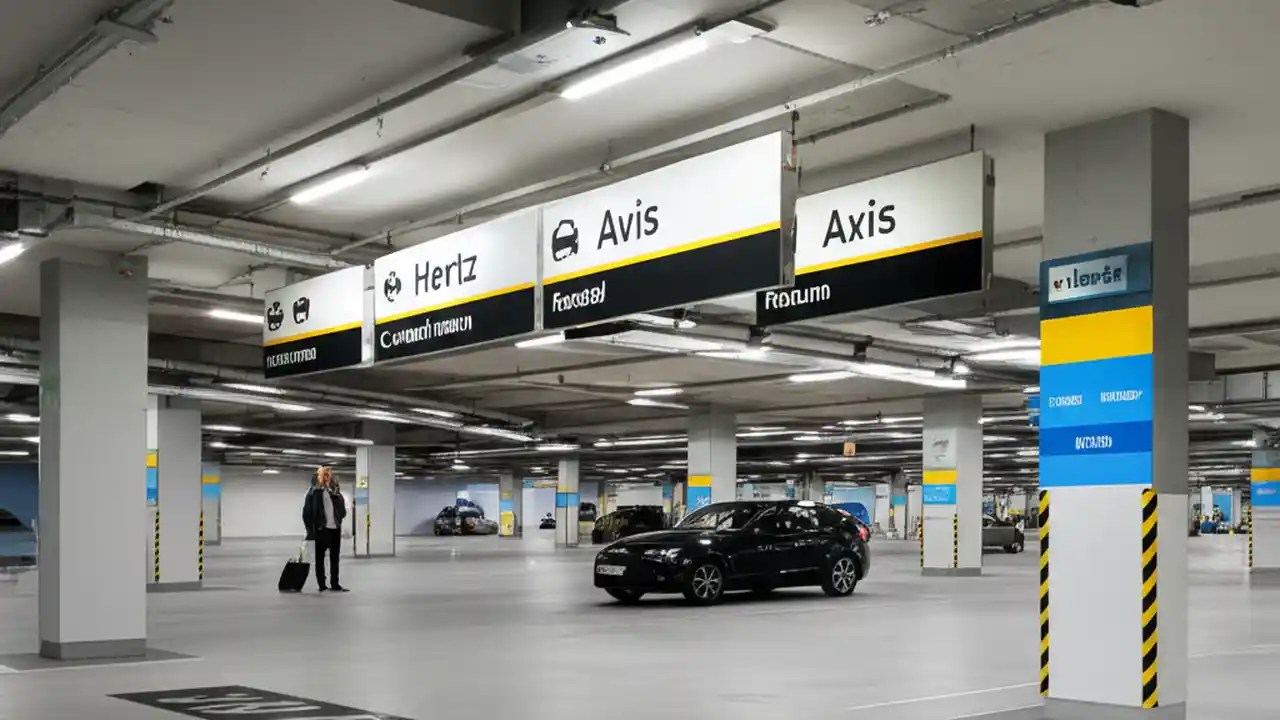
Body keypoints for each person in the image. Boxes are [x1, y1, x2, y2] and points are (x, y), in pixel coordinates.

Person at [302, 466, 348, 592]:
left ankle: (335, 584)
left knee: (335, 558)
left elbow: (343, 512)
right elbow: (306, 513)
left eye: (329, 474)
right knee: (320, 558)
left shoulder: (336, 493)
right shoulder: (313, 493)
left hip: (335, 529)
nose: (328, 476)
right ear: (319, 477)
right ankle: (322, 584)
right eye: (325, 474)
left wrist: (338, 516)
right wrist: (310, 531)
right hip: (321, 529)